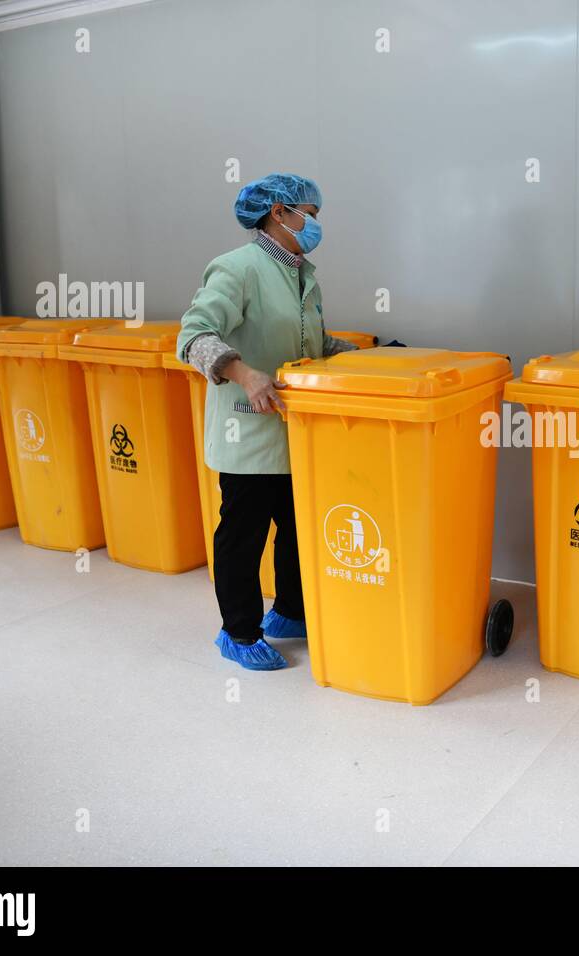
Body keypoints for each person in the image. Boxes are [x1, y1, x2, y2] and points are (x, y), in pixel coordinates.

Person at [177, 173, 357, 671]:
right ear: (279, 212)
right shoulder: (238, 269)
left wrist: (369, 358)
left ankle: (290, 612)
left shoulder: (301, 273)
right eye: (311, 215)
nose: (315, 225)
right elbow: (193, 336)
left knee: (297, 527)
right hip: (249, 432)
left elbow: (312, 347)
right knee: (244, 533)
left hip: (296, 433)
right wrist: (244, 372)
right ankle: (236, 632)